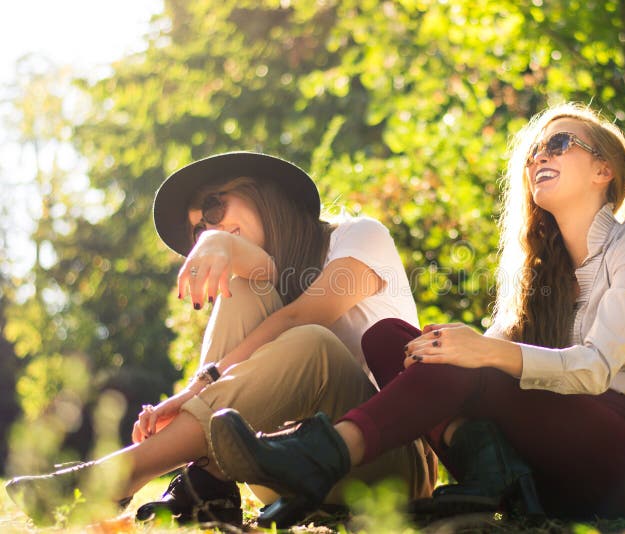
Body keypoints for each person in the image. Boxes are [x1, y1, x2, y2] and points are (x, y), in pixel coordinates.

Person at [207, 102, 625, 523]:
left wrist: (482, 352)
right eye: (534, 151)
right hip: (544, 468)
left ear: (604, 171)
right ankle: (490, 473)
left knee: (465, 357)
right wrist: (456, 346)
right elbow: (473, 367)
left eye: (559, 143)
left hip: (620, 463)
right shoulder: (535, 271)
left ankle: (319, 455)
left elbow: (595, 369)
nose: (540, 157)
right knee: (394, 339)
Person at [5, 152, 436, 526]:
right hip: (282, 469)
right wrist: (221, 247)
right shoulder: (265, 284)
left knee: (313, 341)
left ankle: (119, 473)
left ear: (259, 190)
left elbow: (307, 316)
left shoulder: (360, 236)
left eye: (213, 208)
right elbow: (265, 278)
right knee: (246, 285)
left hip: (391, 460)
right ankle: (210, 482)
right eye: (197, 232)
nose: (205, 230)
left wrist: (198, 387)